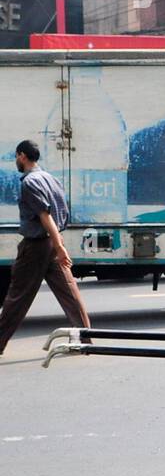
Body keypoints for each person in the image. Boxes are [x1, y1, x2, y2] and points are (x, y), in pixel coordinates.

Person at [0, 140, 90, 355]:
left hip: (37, 246)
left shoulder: (30, 182)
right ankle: (85, 339)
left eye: (16, 157)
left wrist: (60, 248)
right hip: (52, 242)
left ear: (22, 156)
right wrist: (58, 244)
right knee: (69, 292)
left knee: (18, 296)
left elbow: (44, 215)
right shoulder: (50, 178)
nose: (16, 161)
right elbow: (62, 212)